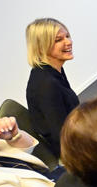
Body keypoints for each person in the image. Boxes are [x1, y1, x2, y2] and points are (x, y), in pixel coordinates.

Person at [25, 17, 79, 158]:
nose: (69, 42)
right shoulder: (47, 84)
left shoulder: (54, 69)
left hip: (76, 130)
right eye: (58, 40)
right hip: (73, 150)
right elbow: (62, 136)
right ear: (41, 46)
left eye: (67, 36)